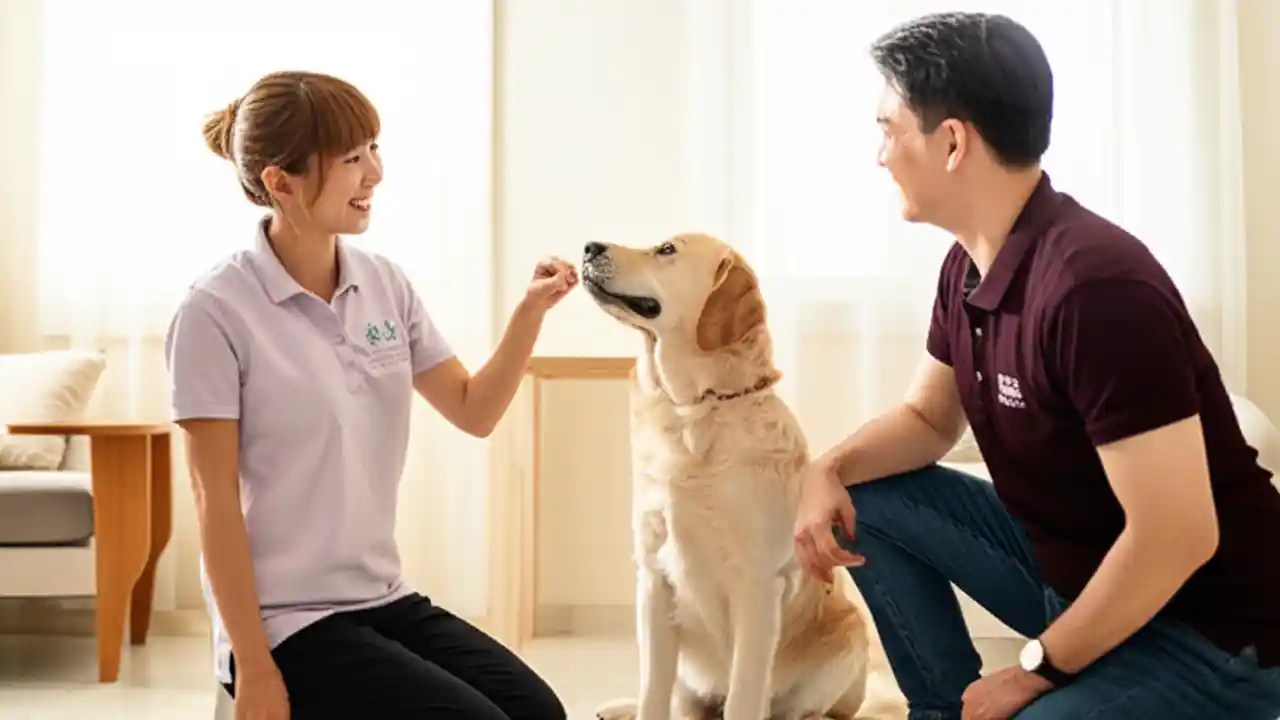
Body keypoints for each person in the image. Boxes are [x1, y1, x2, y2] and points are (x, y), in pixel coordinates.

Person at [792, 12, 1280, 720]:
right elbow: (928, 420)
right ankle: (947, 709)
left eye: (888, 129)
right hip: (1081, 582)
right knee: (869, 495)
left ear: (952, 141)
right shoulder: (968, 265)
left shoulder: (1095, 289)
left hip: (1209, 635)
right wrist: (825, 470)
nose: (879, 154)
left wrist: (1035, 669)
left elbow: (1179, 536)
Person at [166, 70, 574, 719]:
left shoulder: (383, 283)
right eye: (352, 158)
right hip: (284, 621)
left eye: (374, 148)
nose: (375, 172)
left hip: (379, 597)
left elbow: (474, 411)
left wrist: (530, 313)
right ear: (281, 182)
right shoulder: (215, 311)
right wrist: (256, 668)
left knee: (536, 712)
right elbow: (213, 504)